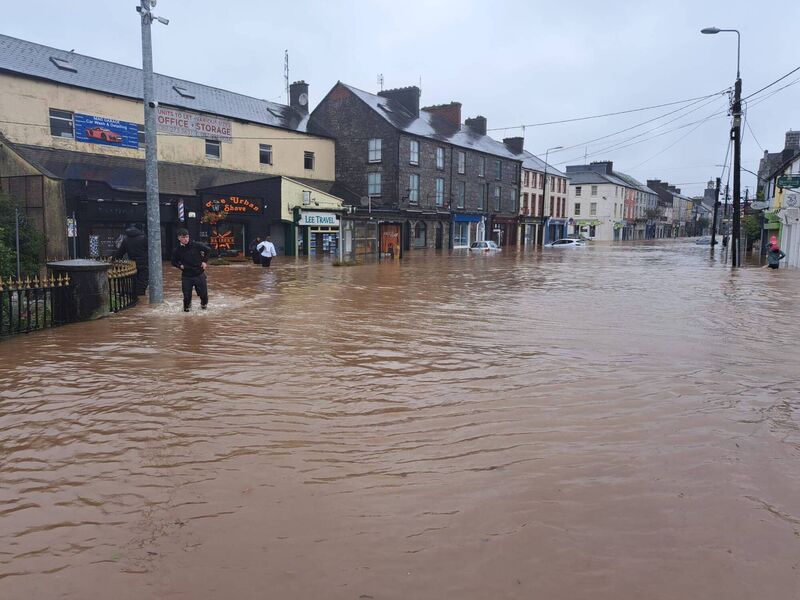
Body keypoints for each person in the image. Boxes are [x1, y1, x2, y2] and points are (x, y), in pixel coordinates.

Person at [170, 228, 211, 311]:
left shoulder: (196, 245)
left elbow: (208, 250)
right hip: (187, 276)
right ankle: (187, 312)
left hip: (199, 274)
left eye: (187, 237)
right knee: (186, 297)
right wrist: (180, 266)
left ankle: (203, 306)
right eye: (183, 237)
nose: (186, 239)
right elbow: (173, 262)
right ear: (179, 238)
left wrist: (204, 261)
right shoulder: (177, 250)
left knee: (204, 296)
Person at [114, 223, 149, 296]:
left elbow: (120, 252)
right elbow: (151, 251)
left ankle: (135, 297)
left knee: (134, 281)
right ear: (141, 229)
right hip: (144, 264)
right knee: (142, 281)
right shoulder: (144, 238)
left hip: (132, 264)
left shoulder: (126, 239)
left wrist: (113, 260)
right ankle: (140, 299)